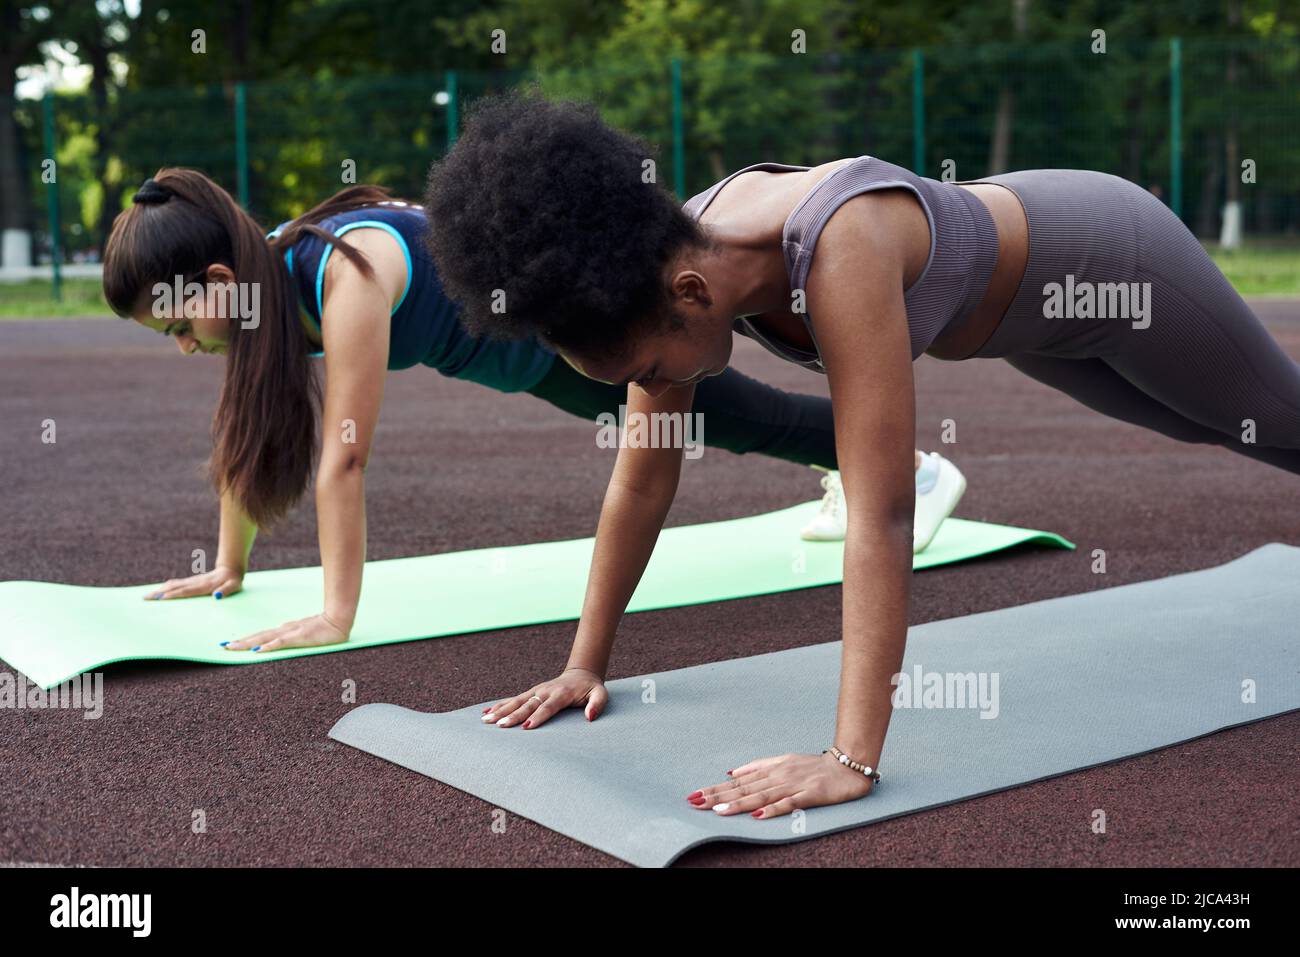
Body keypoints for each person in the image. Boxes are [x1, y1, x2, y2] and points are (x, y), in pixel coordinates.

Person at [422, 93, 1300, 821]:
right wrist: (586, 661)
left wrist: (850, 756)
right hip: (1035, 328)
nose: (652, 391)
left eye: (649, 370)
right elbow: (643, 475)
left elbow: (882, 511)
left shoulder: (837, 247)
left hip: (1118, 259)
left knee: (1274, 419)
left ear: (689, 296)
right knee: (1210, 428)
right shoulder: (658, 271)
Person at [101, 168, 962, 653]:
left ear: (218, 283)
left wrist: (337, 613)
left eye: (178, 324)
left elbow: (346, 453)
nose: (182, 345)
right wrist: (230, 566)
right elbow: (248, 429)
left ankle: (910, 468)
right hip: (526, 366)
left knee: (725, 417)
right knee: (720, 420)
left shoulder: (343, 273)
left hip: (565, 338)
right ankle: (859, 465)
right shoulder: (257, 300)